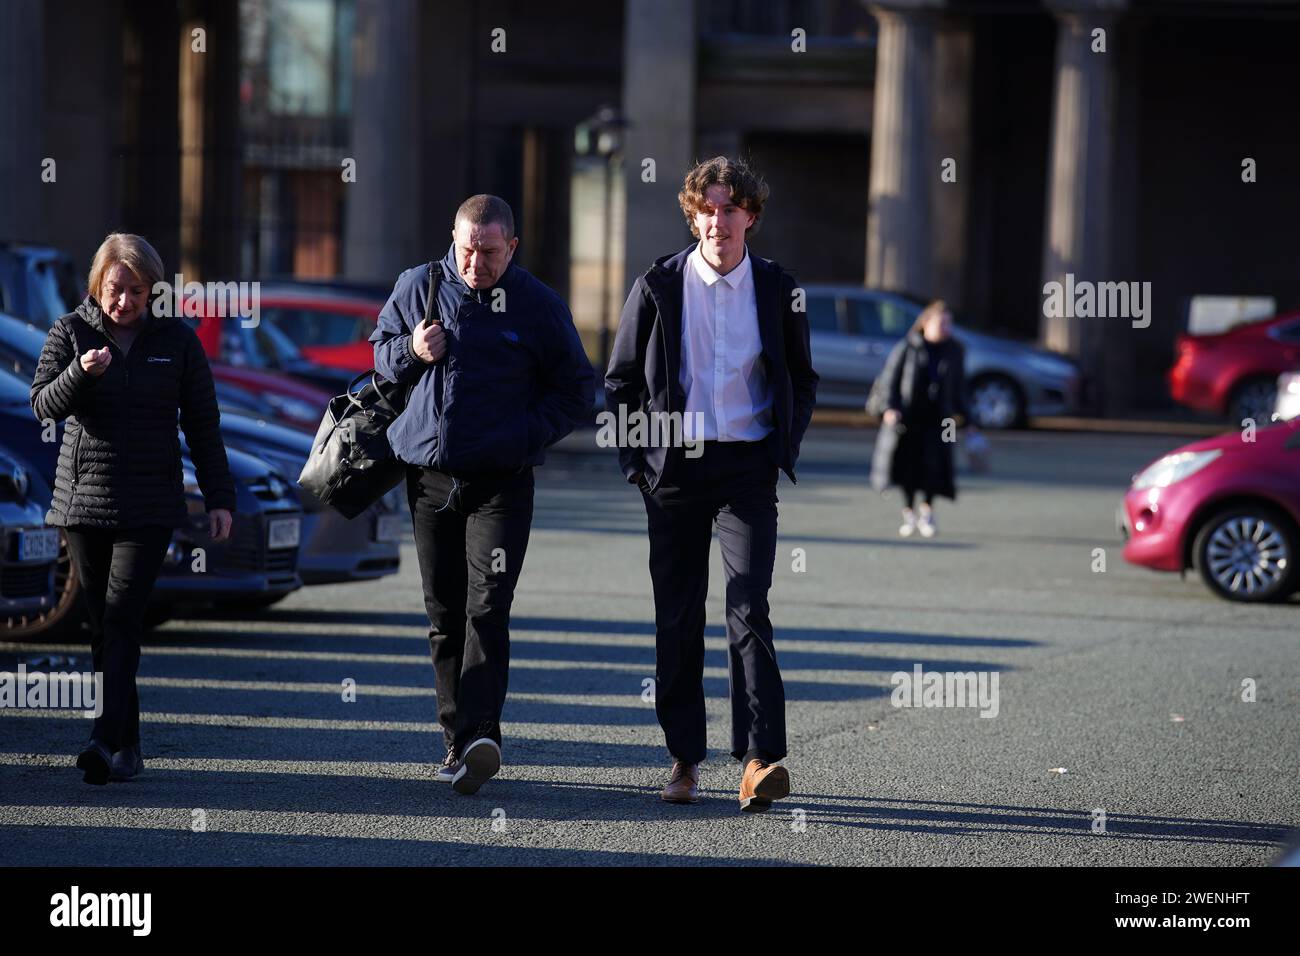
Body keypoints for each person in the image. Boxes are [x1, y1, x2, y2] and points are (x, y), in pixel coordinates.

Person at [605, 157, 818, 812]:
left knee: (749, 604)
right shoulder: (658, 285)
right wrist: (639, 465)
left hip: (747, 468)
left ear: (750, 217)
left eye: (730, 209)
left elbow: (801, 378)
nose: (718, 221)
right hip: (674, 471)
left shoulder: (779, 288)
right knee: (678, 615)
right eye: (708, 209)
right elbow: (619, 384)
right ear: (693, 215)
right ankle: (684, 758)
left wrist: (784, 443)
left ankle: (759, 759)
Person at [371, 194, 594, 796]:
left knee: (487, 606)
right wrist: (412, 352)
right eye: (466, 250)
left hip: (502, 481)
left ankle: (481, 736)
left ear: (511, 248)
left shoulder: (537, 303)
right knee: (444, 614)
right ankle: (455, 740)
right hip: (429, 479)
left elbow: (577, 389)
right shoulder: (417, 286)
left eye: (489, 253)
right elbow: (379, 361)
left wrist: (524, 435)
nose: (475, 264)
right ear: (453, 237)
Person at [30, 232, 235, 785]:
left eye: (137, 291)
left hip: (149, 505)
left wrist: (220, 498)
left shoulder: (178, 342)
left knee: (122, 616)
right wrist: (81, 373)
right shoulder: (69, 333)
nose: (125, 302)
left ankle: (101, 737)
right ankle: (129, 743)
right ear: (97, 284)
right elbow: (42, 404)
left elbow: (203, 426)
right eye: (116, 290)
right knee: (104, 627)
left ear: (154, 291)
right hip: (85, 504)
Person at [868, 300, 975, 538]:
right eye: (941, 323)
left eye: (949, 324)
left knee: (934, 467)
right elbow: (889, 381)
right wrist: (889, 408)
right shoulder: (907, 347)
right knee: (908, 467)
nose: (946, 328)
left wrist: (967, 420)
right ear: (926, 323)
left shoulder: (955, 350)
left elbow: (959, 388)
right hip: (909, 419)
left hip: (939, 420)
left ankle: (927, 511)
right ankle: (909, 513)